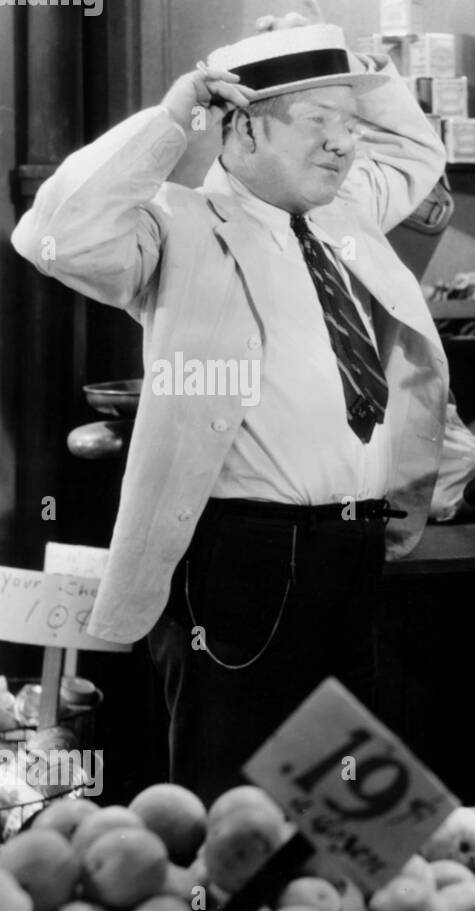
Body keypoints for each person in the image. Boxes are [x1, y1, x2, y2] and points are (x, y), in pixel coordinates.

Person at [12, 17, 451, 802]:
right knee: (237, 807)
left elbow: (417, 153)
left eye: (351, 127)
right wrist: (176, 112)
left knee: (350, 810)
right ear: (241, 128)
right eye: (318, 124)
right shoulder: (176, 224)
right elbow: (53, 232)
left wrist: (359, 67)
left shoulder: (344, 214)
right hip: (242, 562)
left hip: (354, 550)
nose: (344, 145)